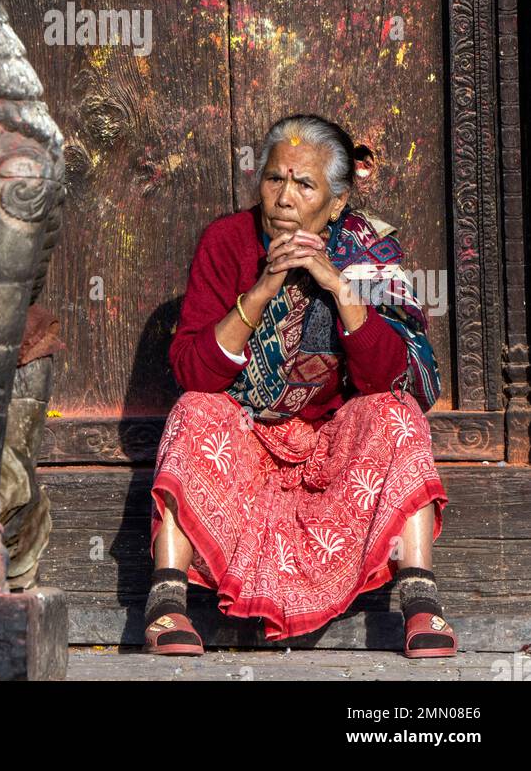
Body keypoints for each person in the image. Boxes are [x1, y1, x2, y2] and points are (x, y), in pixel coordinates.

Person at [144, 113, 456, 659]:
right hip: (243, 443)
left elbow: (394, 377)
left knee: (397, 414)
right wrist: (264, 288)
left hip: (330, 449)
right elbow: (194, 370)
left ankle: (420, 601)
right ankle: (167, 601)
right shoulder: (227, 241)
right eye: (274, 179)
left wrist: (338, 287)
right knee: (194, 410)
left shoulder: (364, 251)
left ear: (335, 204)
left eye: (304, 184)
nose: (284, 198)